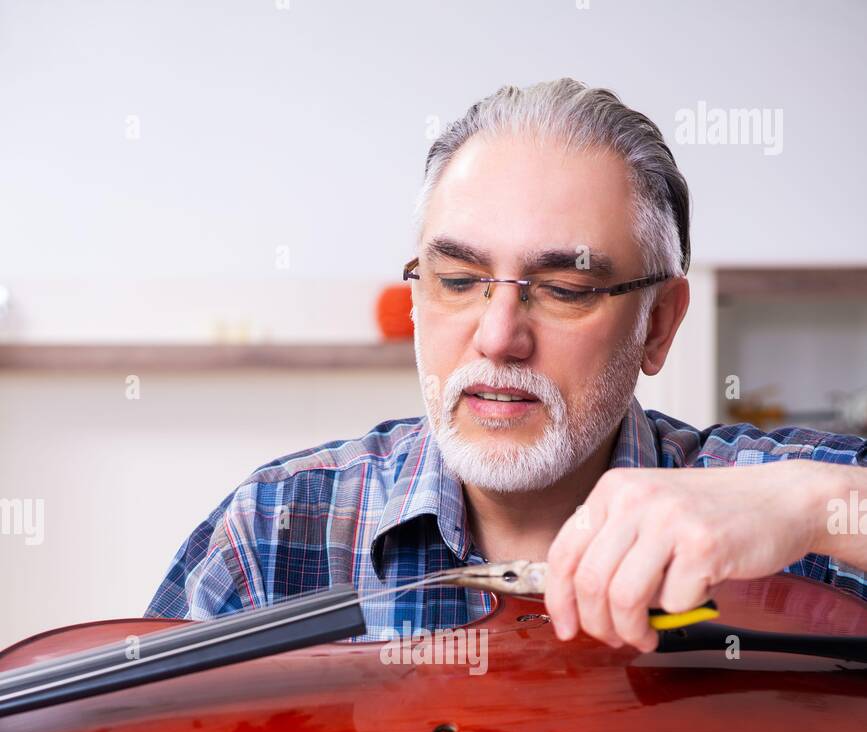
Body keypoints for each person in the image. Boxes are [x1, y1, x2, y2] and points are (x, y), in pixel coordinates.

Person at [146, 78, 867, 651]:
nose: (497, 338)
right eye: (457, 281)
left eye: (563, 290)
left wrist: (811, 507)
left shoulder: (785, 512)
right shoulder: (275, 527)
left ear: (658, 324)